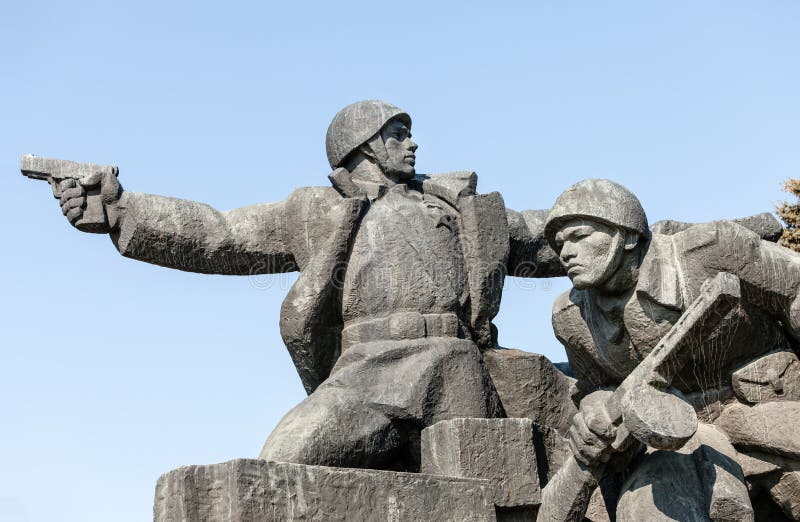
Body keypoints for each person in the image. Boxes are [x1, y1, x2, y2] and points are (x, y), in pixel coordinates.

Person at [52, 100, 565, 471]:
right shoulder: (317, 210)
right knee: (285, 461)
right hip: (368, 368)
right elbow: (220, 234)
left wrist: (623, 232)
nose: (413, 144)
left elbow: (544, 238)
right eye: (398, 135)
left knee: (486, 483)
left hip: (454, 365)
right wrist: (122, 212)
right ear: (363, 146)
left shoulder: (454, 206)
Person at [544, 178, 800, 519]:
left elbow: (795, 290)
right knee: (646, 508)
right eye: (560, 244)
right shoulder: (571, 317)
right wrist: (592, 417)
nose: (566, 253)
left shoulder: (710, 251)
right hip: (673, 442)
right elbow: (595, 389)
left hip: (772, 414)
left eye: (579, 236)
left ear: (629, 236)